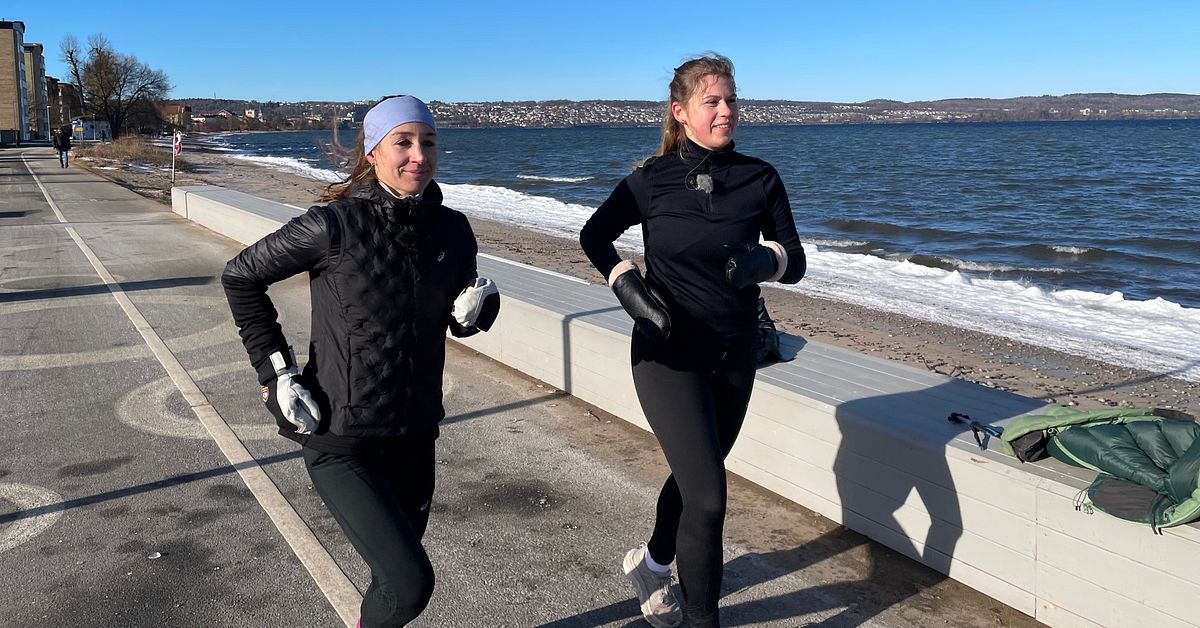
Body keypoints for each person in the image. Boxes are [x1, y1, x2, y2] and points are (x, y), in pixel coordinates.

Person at [222, 95, 500, 627]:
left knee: (387, 582)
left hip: (416, 433)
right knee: (411, 583)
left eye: (429, 142)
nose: (419, 155)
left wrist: (475, 312)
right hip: (342, 437)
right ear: (373, 153)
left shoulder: (453, 230)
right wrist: (276, 372)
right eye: (404, 142)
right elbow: (241, 276)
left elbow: (455, 314)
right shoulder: (334, 226)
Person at [579, 54, 806, 628]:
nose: (727, 110)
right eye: (713, 101)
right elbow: (595, 234)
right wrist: (627, 285)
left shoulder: (761, 177)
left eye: (732, 99)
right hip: (667, 353)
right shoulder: (651, 180)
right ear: (681, 113)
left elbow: (796, 260)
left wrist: (766, 259)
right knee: (709, 498)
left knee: (693, 477)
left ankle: (653, 564)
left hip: (736, 353)